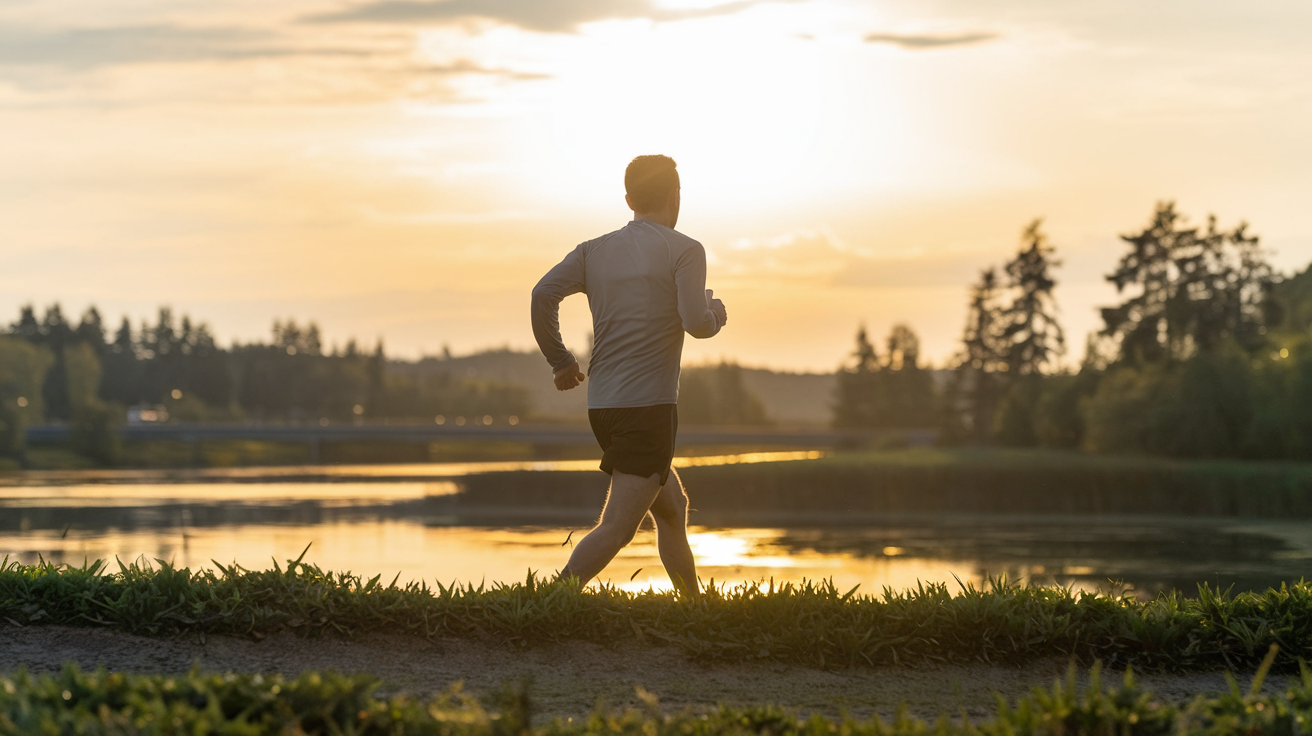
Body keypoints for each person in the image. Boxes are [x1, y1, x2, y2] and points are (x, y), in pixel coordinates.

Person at [530, 155, 727, 596]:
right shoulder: (685, 249)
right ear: (676, 197)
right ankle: (551, 602)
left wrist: (560, 362)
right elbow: (697, 323)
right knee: (618, 527)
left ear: (630, 199)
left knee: (672, 508)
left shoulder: (594, 250)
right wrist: (716, 313)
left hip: (603, 408)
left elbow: (542, 294)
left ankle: (694, 606)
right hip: (650, 410)